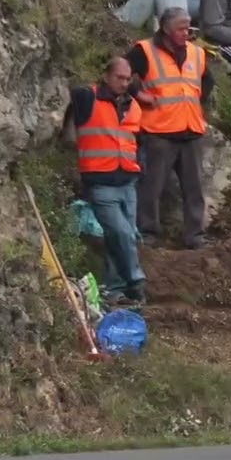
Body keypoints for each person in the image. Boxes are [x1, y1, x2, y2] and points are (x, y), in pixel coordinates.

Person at [124, 6, 216, 250]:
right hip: (159, 131)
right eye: (181, 28)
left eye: (188, 27)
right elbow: (121, 74)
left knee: (194, 188)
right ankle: (149, 234)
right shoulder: (144, 50)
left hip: (191, 129)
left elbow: (208, 81)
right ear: (165, 29)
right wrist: (139, 94)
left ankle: (195, 235)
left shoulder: (197, 53)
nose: (187, 32)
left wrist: (195, 101)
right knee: (151, 187)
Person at [61, 57, 148, 307]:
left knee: (117, 238)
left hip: (128, 182)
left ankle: (114, 289)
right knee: (122, 233)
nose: (124, 83)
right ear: (106, 76)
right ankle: (136, 280)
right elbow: (74, 93)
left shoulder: (133, 106)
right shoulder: (89, 98)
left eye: (127, 78)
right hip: (100, 184)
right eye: (119, 77)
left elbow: (135, 140)